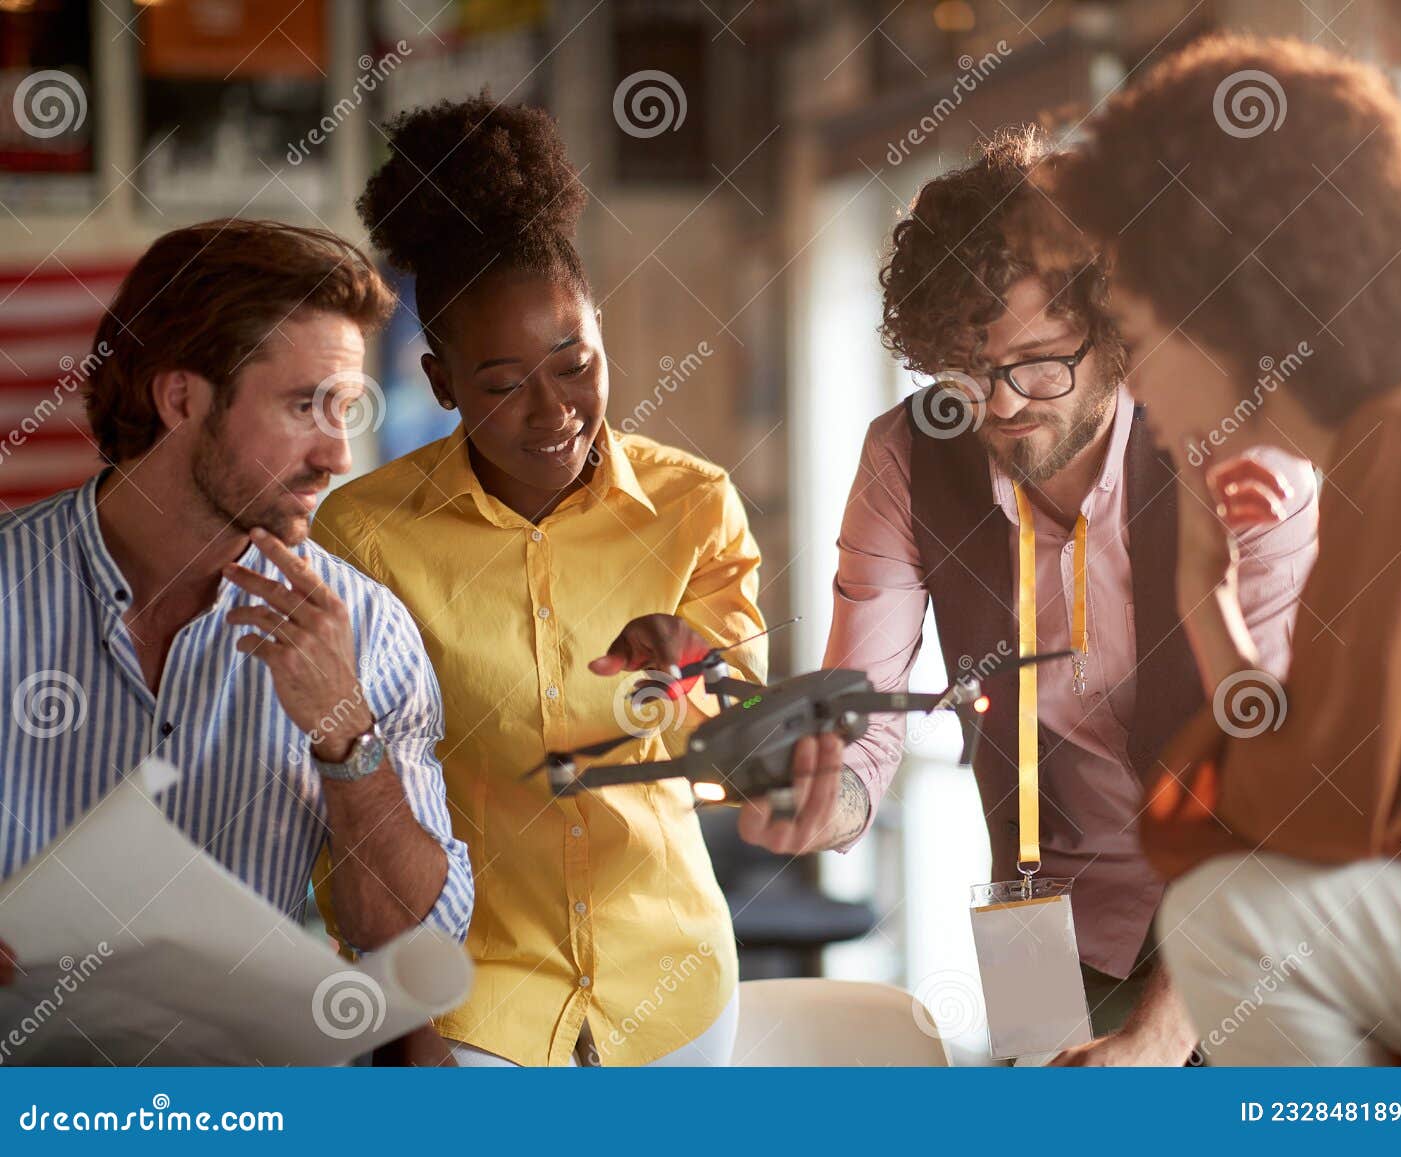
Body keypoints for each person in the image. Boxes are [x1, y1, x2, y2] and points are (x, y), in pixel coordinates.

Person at [1046, 33, 1401, 1065]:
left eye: (1132, 324)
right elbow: (1323, 784)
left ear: (1221, 303)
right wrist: (1205, 599)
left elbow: (1306, 812)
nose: (1130, 380)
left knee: (1231, 917)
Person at [745, 128, 1319, 1064]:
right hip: (1036, 911)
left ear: (1119, 331)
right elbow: (863, 721)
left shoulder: (1241, 453)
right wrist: (823, 795)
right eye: (968, 373)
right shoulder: (903, 458)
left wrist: (1158, 1035)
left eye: (1041, 362)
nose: (1003, 405)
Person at [312, 95, 836, 1068]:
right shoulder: (365, 536)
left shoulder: (692, 505)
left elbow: (735, 732)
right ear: (439, 381)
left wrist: (740, 712)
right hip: (474, 1005)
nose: (553, 411)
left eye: (574, 363)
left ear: (604, 341)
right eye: (504, 382)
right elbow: (353, 804)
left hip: (669, 986)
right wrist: (410, 1023)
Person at [0, 221, 474, 1061]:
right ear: (180, 400)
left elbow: (403, 945)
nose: (336, 455)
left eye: (345, 411)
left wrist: (344, 731)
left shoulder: (367, 632)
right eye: (304, 407)